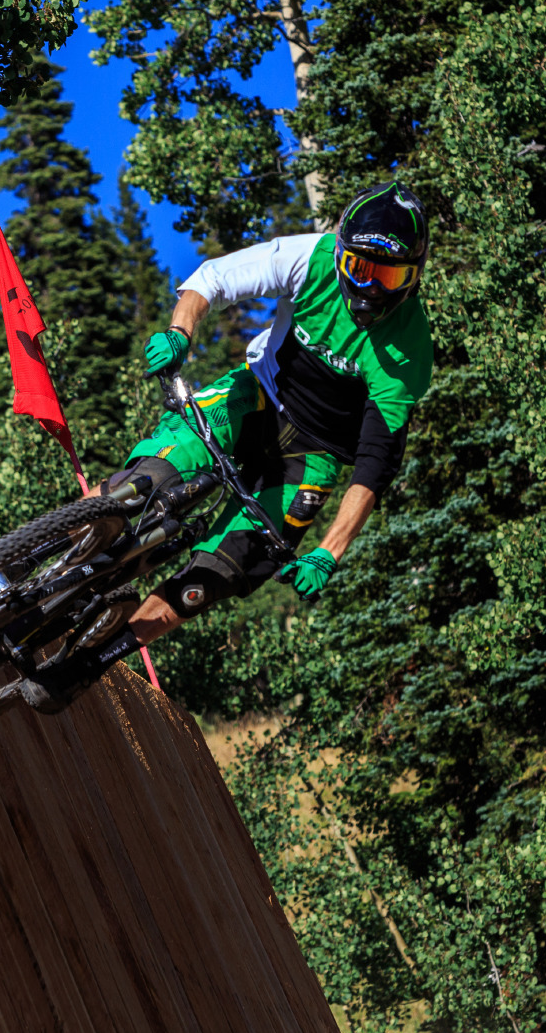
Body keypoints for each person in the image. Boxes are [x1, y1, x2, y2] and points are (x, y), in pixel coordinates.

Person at [22, 182, 435, 708]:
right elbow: (214, 279)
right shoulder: (308, 258)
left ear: (413, 278)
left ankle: (89, 664)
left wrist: (328, 553)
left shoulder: (409, 347)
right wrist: (180, 333)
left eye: (389, 276)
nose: (371, 289)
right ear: (340, 252)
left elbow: (375, 465)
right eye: (360, 269)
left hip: (315, 455)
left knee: (211, 579)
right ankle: (30, 553)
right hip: (256, 396)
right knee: (142, 481)